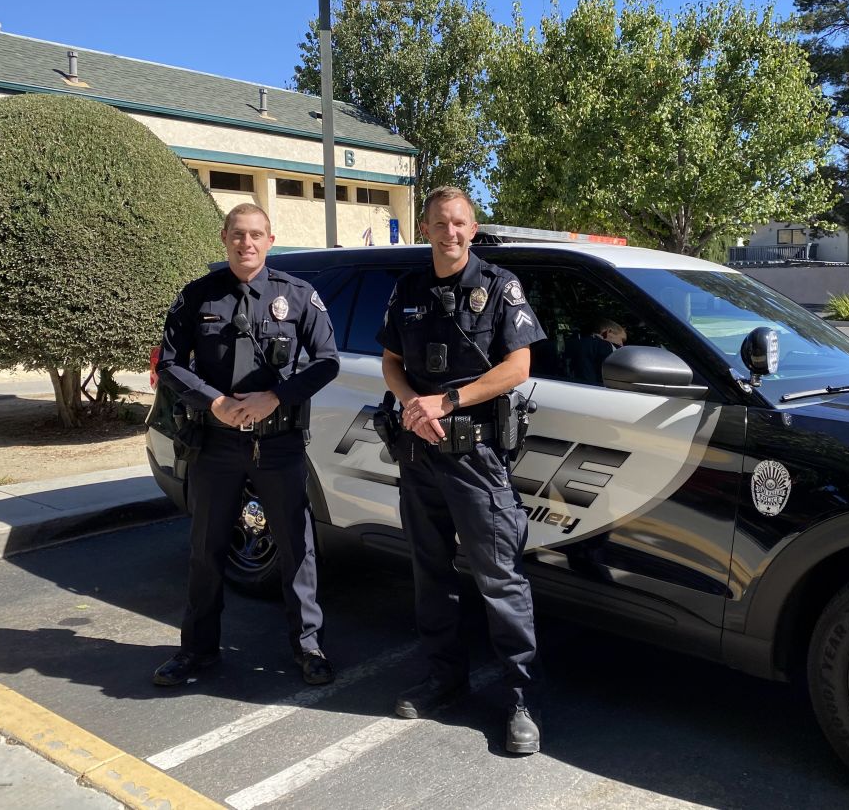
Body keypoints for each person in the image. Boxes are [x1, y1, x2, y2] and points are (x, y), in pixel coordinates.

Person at [377, 185, 548, 754]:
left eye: (461, 223)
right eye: (440, 223)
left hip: (476, 458)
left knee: (500, 579)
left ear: (473, 230)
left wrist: (446, 402)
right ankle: (442, 677)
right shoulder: (407, 289)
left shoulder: (499, 287)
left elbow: (518, 366)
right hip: (420, 455)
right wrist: (409, 403)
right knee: (430, 573)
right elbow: (391, 361)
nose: (451, 232)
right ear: (424, 228)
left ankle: (520, 699)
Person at [153, 203, 340, 687]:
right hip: (216, 444)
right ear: (224, 237)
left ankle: (308, 647)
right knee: (206, 549)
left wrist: (274, 397)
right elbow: (170, 364)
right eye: (239, 234)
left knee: (297, 548)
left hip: (278, 444)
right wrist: (213, 402)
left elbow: (326, 362)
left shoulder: (297, 295)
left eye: (257, 235)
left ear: (270, 241)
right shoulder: (197, 296)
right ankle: (197, 651)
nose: (247, 243)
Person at [568, 318, 627, 385]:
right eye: (622, 340)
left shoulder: (568, 344)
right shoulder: (605, 346)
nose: (622, 345)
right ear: (607, 333)